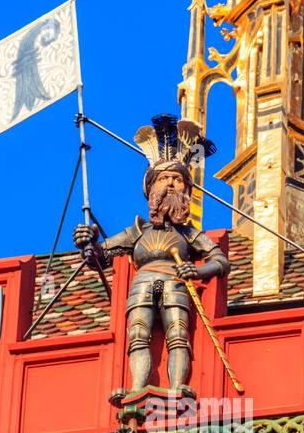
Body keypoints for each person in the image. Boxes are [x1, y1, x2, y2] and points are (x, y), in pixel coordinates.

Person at [74, 115, 228, 397]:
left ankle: (179, 386)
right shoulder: (136, 231)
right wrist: (87, 243)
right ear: (150, 189)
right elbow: (98, 257)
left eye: (177, 180)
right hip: (142, 284)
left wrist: (198, 271)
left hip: (175, 282)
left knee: (178, 336)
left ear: (187, 189)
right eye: (164, 179)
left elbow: (220, 261)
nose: (170, 185)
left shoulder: (189, 234)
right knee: (137, 336)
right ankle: (137, 388)